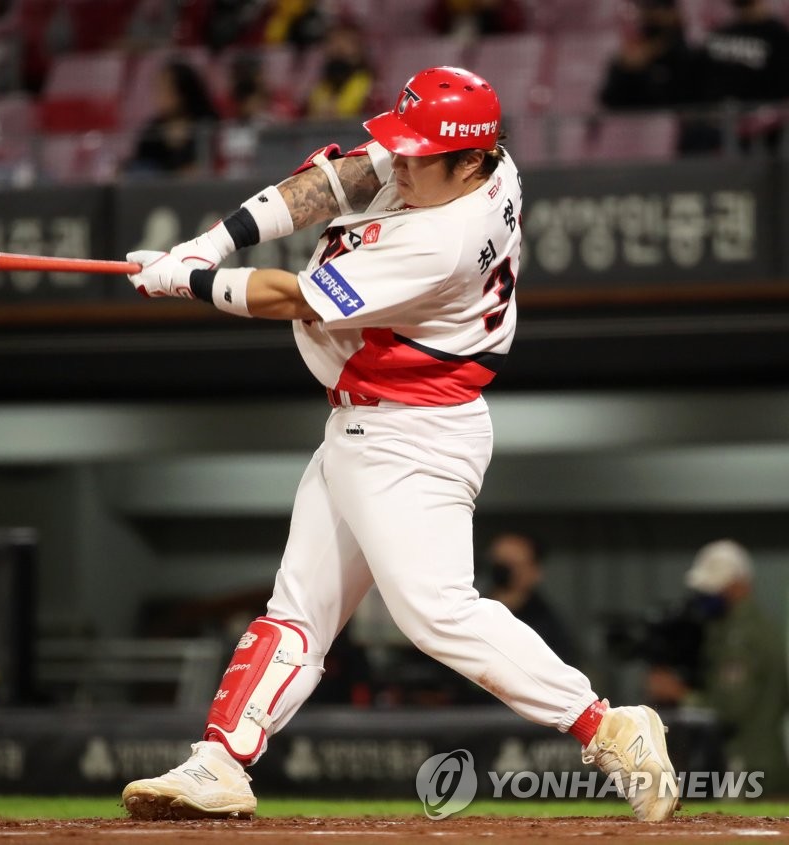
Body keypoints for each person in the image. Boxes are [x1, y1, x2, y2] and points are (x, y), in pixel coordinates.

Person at [120, 65, 678, 823]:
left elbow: (298, 300)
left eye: (422, 157)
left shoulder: (444, 240)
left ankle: (609, 726)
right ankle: (220, 760)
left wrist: (191, 282)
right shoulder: (473, 159)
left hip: (411, 432)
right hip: (369, 421)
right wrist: (211, 241)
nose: (402, 165)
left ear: (471, 160)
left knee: (435, 612)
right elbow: (342, 180)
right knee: (300, 607)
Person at [647, 540, 789, 793]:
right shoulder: (731, 628)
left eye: (717, 588)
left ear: (739, 585)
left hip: (749, 764)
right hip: (748, 761)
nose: (708, 596)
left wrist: (679, 693)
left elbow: (731, 709)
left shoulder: (743, 636)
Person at [598, 0, 717, 154]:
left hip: (674, 142)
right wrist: (629, 69)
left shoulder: (687, 56)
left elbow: (692, 97)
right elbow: (609, 99)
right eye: (648, 10)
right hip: (628, 139)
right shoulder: (627, 59)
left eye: (659, 10)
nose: (654, 16)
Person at [701, 0, 789, 151]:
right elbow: (704, 80)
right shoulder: (723, 33)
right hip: (724, 126)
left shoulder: (778, 35)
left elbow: (782, 84)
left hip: (768, 130)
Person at [485, 532, 579, 667]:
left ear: (534, 571)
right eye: (498, 562)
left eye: (513, 564)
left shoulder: (546, 626)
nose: (502, 570)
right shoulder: (473, 610)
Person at [126, 60, 219, 176]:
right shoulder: (152, 131)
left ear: (184, 91)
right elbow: (140, 166)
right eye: (157, 89)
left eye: (166, 89)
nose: (159, 96)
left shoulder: (208, 125)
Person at [303, 23, 373, 120]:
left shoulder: (370, 88)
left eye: (346, 43)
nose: (338, 48)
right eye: (333, 43)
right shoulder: (320, 87)